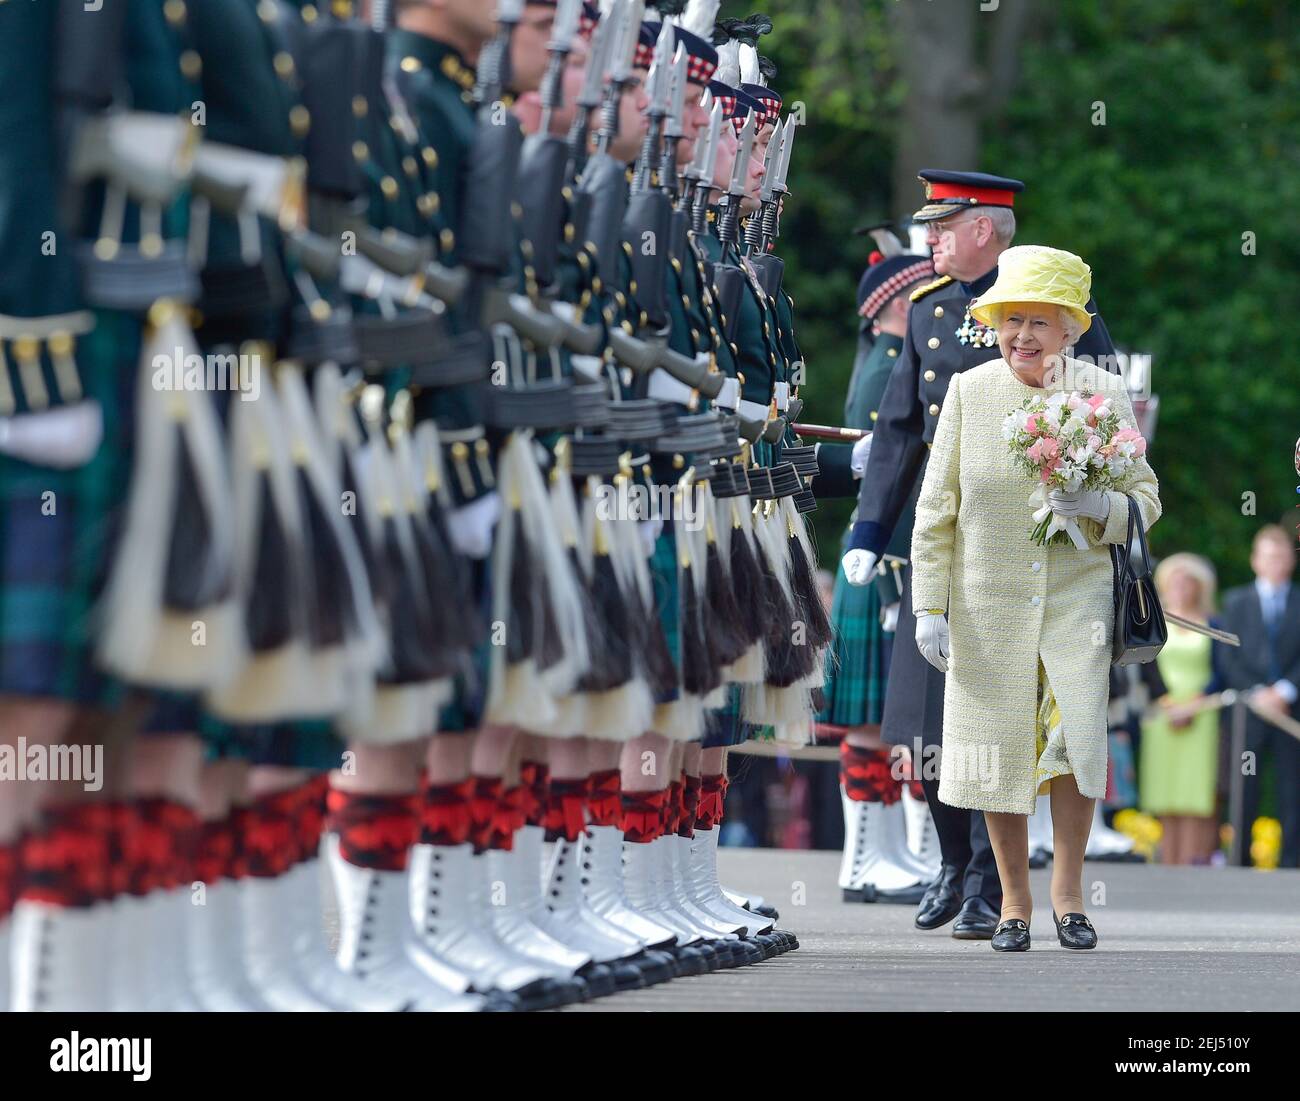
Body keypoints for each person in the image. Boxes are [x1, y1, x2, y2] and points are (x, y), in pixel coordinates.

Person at [841, 169, 1120, 940]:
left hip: (1052, 556)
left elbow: (1109, 425)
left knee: (1048, 731)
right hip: (956, 546)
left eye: (942, 225)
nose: (929, 239)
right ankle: (955, 864)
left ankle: (995, 886)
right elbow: (901, 433)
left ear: (987, 227)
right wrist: (868, 531)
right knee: (933, 725)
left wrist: (1100, 513)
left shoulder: (1064, 303)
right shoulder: (931, 313)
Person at [909, 243, 1161, 951]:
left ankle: (1070, 895)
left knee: (1075, 738)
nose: (1021, 335)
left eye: (1038, 322)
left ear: (1070, 330)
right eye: (1009, 319)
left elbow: (1146, 499)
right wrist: (930, 605)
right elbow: (938, 509)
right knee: (996, 752)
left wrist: (1097, 503)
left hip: (1076, 598)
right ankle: (1013, 902)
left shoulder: (1101, 393)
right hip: (985, 601)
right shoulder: (970, 389)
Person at [820, 248, 939, 904]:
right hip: (884, 557)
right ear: (900, 304)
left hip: (890, 554)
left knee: (891, 719)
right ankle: (862, 861)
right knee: (870, 720)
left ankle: (885, 850)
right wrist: (897, 564)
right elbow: (887, 472)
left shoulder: (895, 358)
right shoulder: (891, 363)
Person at [1217, 524, 1300, 867]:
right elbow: (1227, 655)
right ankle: (1240, 860)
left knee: (1292, 789)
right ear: (1255, 561)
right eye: (1268, 556)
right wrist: (1255, 693)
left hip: (1291, 710)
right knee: (1244, 787)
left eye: (1281, 556)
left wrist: (1285, 690)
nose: (1275, 563)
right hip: (1247, 712)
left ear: (1290, 562)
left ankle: (1292, 863)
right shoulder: (1236, 602)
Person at [1139, 554, 1224, 865]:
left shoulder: (1212, 623)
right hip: (1163, 713)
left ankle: (1194, 859)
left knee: (1196, 788)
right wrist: (1167, 702)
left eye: (1188, 581)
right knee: (1166, 786)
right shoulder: (1153, 619)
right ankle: (1168, 860)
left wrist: (1196, 703)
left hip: (1202, 712)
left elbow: (1221, 670)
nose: (1180, 587)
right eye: (1175, 580)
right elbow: (1144, 662)